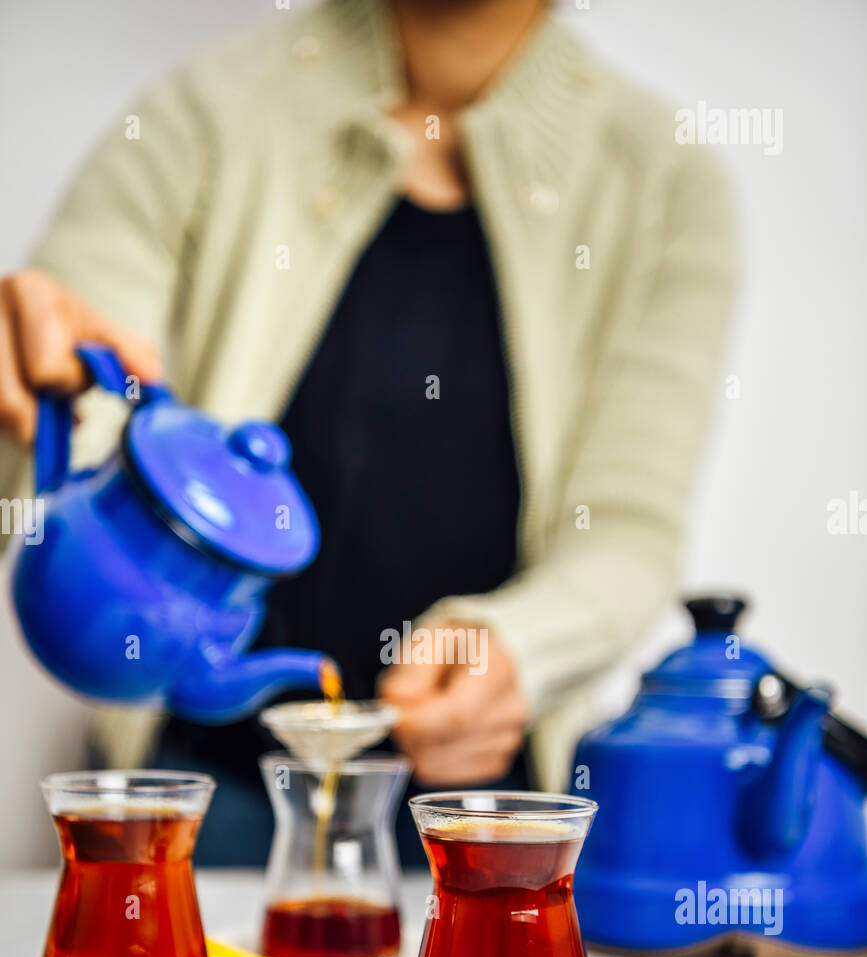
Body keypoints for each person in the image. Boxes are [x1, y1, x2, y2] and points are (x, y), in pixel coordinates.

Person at [0, 0, 735, 864]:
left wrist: (516, 649)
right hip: (194, 809)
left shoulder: (664, 184)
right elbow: (85, 405)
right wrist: (38, 394)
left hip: (486, 825)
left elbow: (627, 532)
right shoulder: (202, 113)